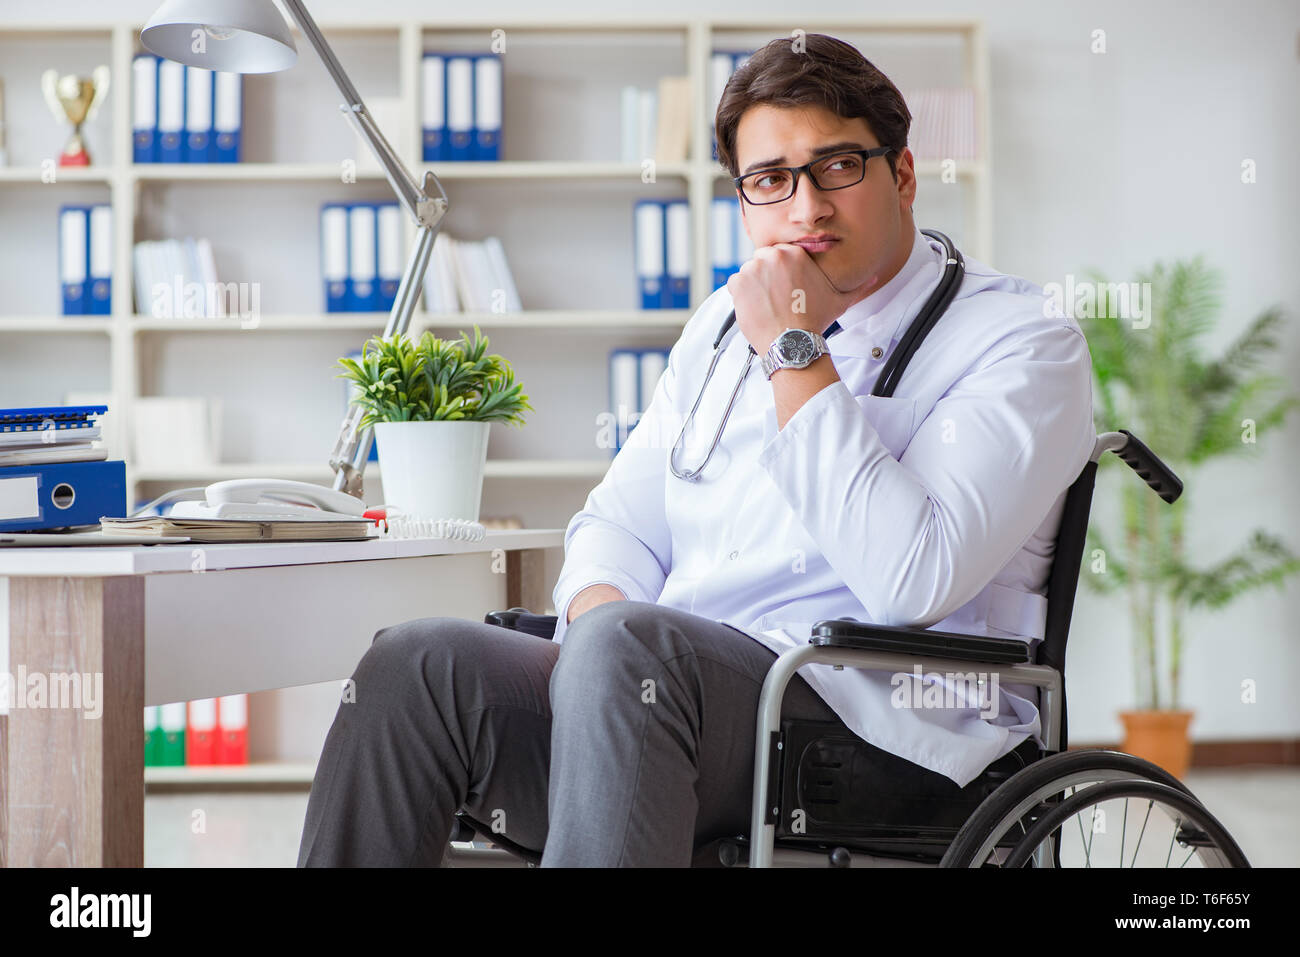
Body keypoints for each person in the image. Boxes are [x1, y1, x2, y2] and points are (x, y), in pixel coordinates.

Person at [297, 33, 1094, 868]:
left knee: (632, 653)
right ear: (744, 201)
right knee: (412, 667)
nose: (805, 208)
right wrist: (596, 628)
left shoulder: (1019, 339)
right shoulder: (720, 325)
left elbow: (914, 578)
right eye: (771, 180)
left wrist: (795, 348)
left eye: (838, 167)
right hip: (665, 698)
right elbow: (618, 522)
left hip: (884, 729)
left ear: (902, 175)